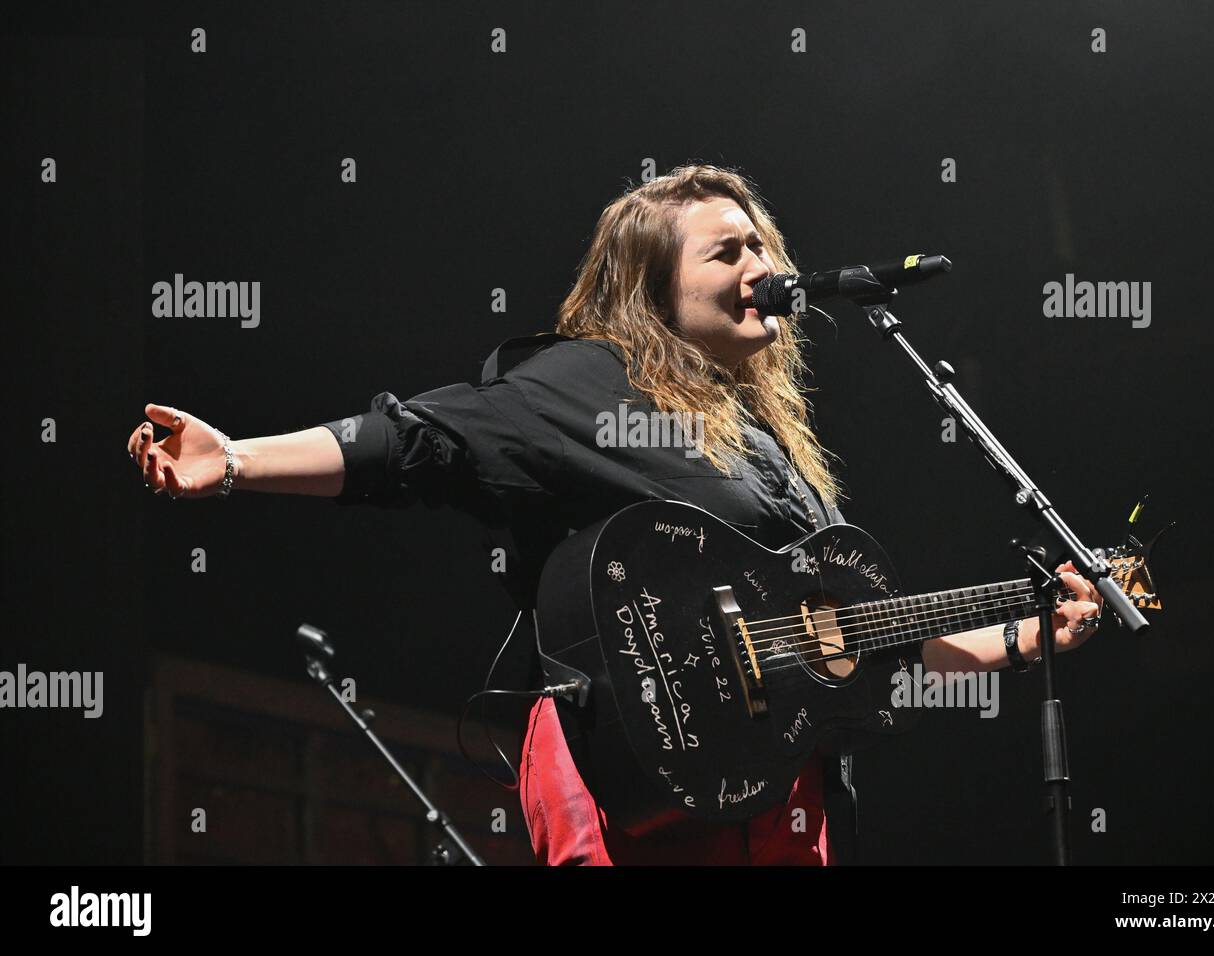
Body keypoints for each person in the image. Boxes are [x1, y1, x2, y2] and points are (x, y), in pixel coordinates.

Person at [124, 164, 1104, 865]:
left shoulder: (773, 449)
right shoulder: (589, 384)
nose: (760, 263)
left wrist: (1025, 632)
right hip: (632, 767)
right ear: (654, 287)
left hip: (777, 792)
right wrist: (235, 461)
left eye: (763, 242)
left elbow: (847, 645)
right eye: (726, 250)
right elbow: (419, 440)